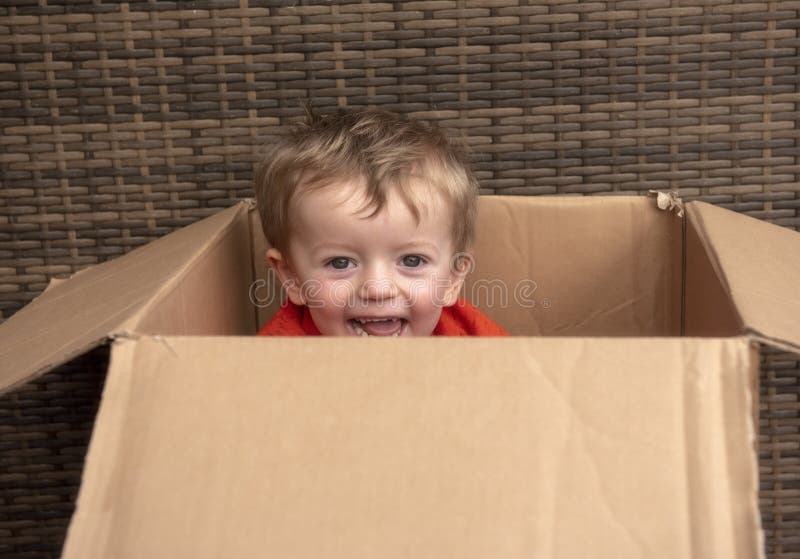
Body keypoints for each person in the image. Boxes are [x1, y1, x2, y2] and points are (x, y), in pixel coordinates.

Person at [254, 107, 507, 337]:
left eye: (412, 260)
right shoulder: (277, 360)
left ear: (452, 278)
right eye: (340, 263)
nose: (377, 289)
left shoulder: (474, 341)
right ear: (292, 277)